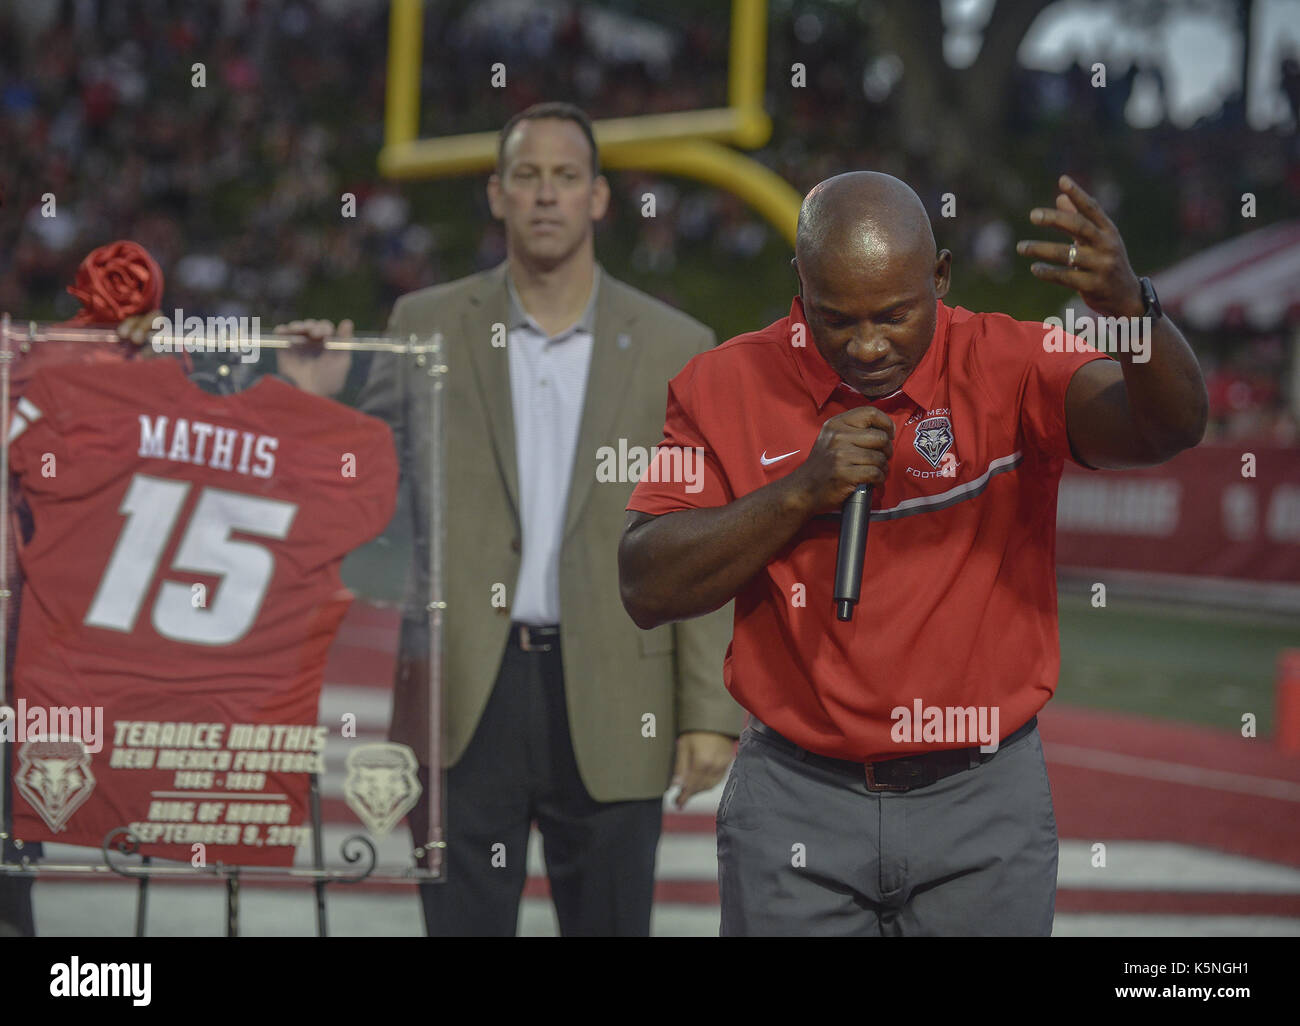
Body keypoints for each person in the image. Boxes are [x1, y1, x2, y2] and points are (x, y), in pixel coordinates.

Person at [618, 171, 1208, 936]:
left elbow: (1169, 427)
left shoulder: (1013, 361)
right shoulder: (716, 383)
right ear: (801, 284)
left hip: (982, 797)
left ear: (941, 276)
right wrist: (798, 493)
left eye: (894, 316)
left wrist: (1135, 311)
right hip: (795, 795)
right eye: (836, 320)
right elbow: (642, 579)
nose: (866, 347)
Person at [277, 102, 742, 936]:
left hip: (615, 689)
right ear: (496, 195)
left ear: (599, 198)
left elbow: (695, 533)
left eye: (567, 177)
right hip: (461, 695)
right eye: (526, 177)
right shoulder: (424, 326)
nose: (546, 196)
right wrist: (318, 403)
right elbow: (359, 490)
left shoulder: (678, 344)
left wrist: (707, 709)